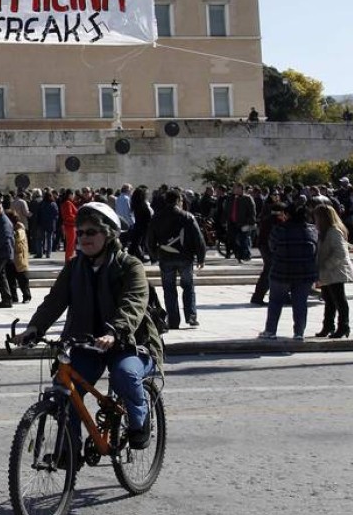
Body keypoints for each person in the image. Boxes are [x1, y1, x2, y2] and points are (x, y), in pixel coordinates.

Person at [12, 202, 163, 451]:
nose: (83, 237)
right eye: (80, 232)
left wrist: (115, 332)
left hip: (127, 342)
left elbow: (133, 304)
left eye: (91, 232)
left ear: (109, 234)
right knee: (66, 390)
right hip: (85, 342)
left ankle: (140, 422)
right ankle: (69, 452)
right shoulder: (74, 267)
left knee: (125, 374)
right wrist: (34, 329)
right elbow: (54, 301)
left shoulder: (130, 266)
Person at [260, 199, 318, 341]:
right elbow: (315, 250)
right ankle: (299, 332)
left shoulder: (279, 229)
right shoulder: (311, 230)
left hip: (281, 271)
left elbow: (272, 247)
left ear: (287, 214)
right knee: (300, 303)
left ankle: (270, 331)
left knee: (275, 302)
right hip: (304, 272)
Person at [149, 189, 207, 329]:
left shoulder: (157, 217)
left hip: (166, 257)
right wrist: (201, 257)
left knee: (169, 289)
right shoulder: (187, 217)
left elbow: (149, 239)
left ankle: (173, 320)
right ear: (178, 201)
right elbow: (198, 238)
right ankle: (191, 316)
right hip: (185, 257)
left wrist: (154, 254)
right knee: (188, 286)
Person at [312, 204, 353, 338]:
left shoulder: (334, 231)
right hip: (327, 272)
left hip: (335, 271)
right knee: (329, 300)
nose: (315, 220)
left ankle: (343, 326)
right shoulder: (324, 232)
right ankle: (328, 326)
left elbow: (340, 253)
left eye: (317, 217)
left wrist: (326, 266)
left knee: (339, 300)